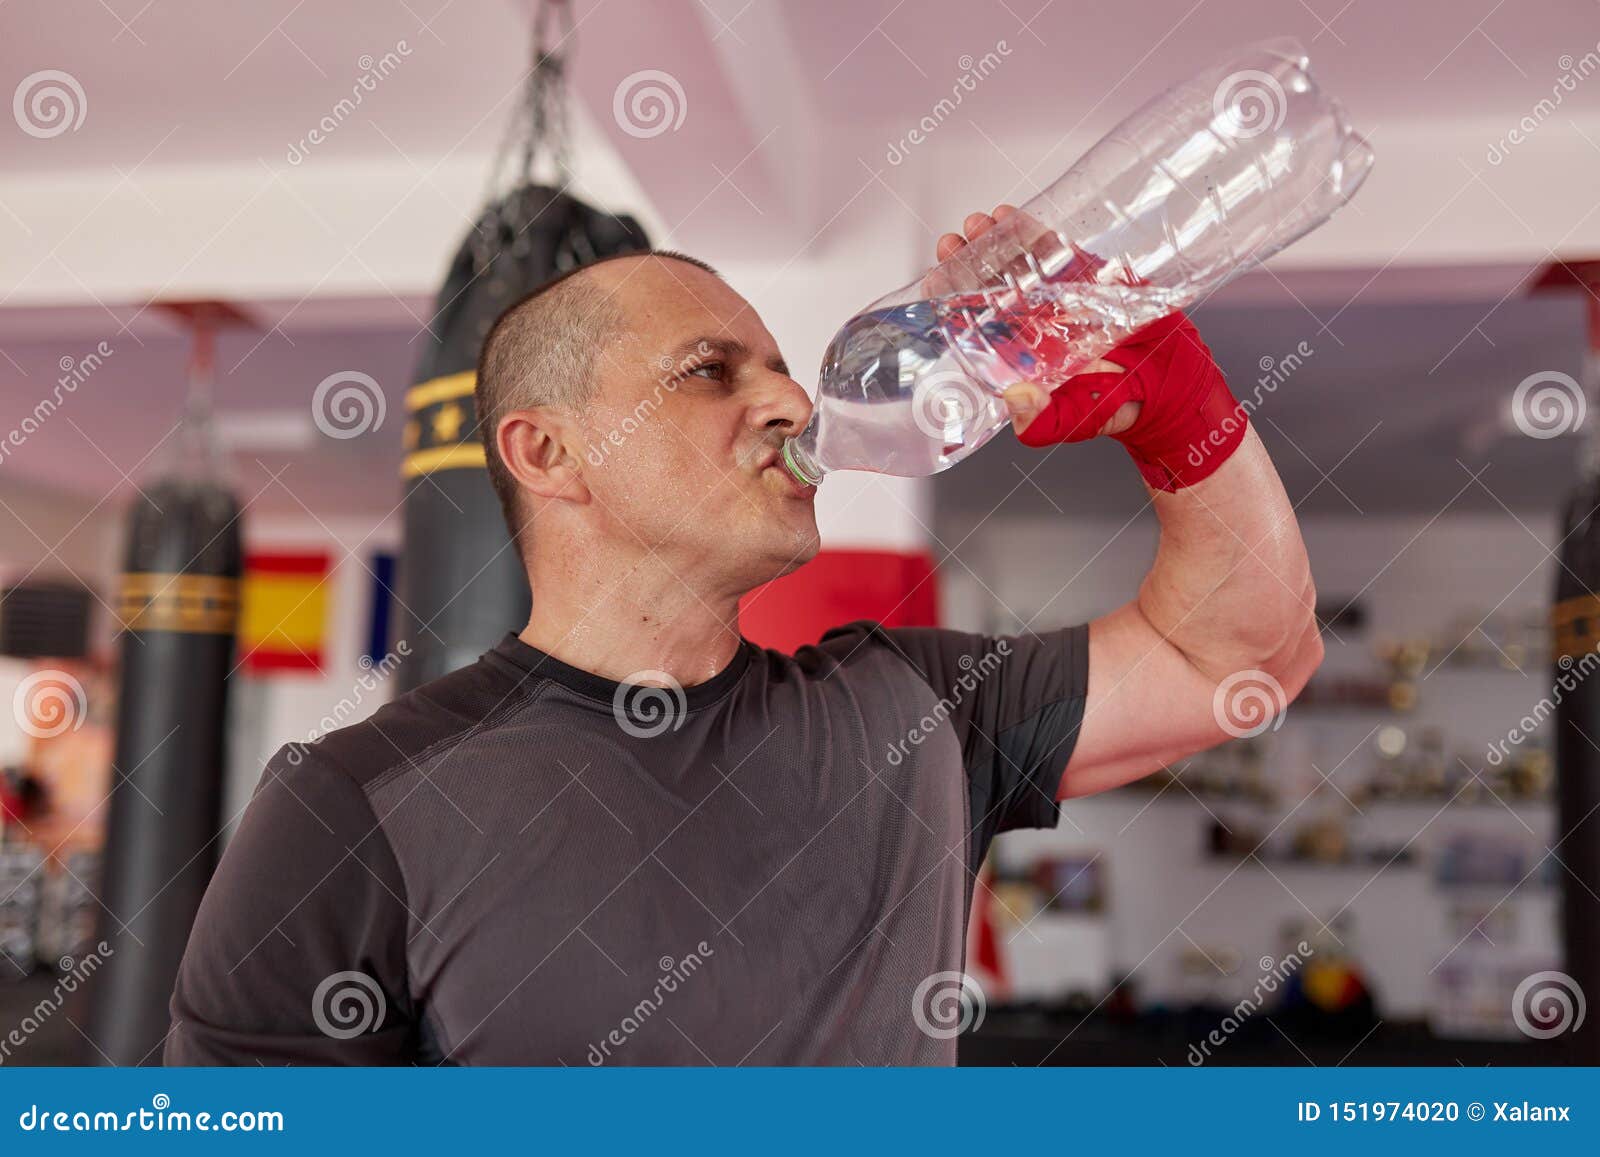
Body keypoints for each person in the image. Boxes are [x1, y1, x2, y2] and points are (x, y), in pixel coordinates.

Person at [164, 206, 1322, 1065]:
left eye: (777, 370)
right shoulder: (350, 801)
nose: (790, 404)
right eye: (709, 371)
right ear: (546, 453)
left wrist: (1177, 413)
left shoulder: (915, 706)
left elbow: (1240, 662)